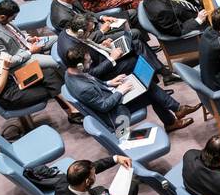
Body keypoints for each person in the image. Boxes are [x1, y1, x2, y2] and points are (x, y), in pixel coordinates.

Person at [62, 44, 195, 134]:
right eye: (88, 62)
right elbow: (103, 106)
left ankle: (175, 114)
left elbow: (92, 79)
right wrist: (121, 91)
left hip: (109, 95)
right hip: (115, 114)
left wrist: (110, 82)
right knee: (149, 90)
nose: (90, 64)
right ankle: (175, 113)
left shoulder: (71, 73)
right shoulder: (83, 88)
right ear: (80, 65)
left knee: (146, 87)